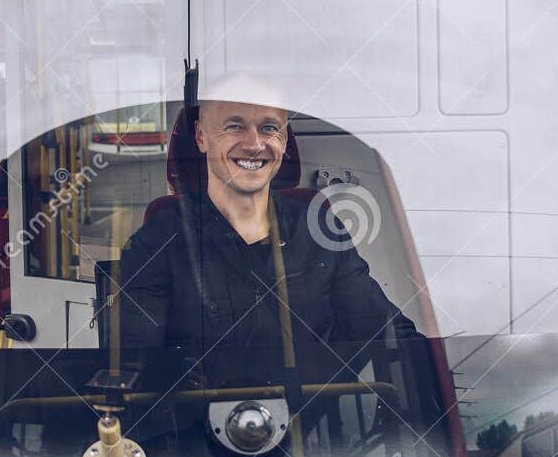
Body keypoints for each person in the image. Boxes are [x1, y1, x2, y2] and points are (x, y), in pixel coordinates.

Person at [111, 75, 416, 370]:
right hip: (202, 420)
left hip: (311, 419)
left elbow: (385, 331)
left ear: (284, 141)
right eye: (234, 125)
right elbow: (135, 367)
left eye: (269, 128)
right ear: (202, 137)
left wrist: (434, 384)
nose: (255, 144)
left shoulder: (318, 230)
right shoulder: (156, 242)